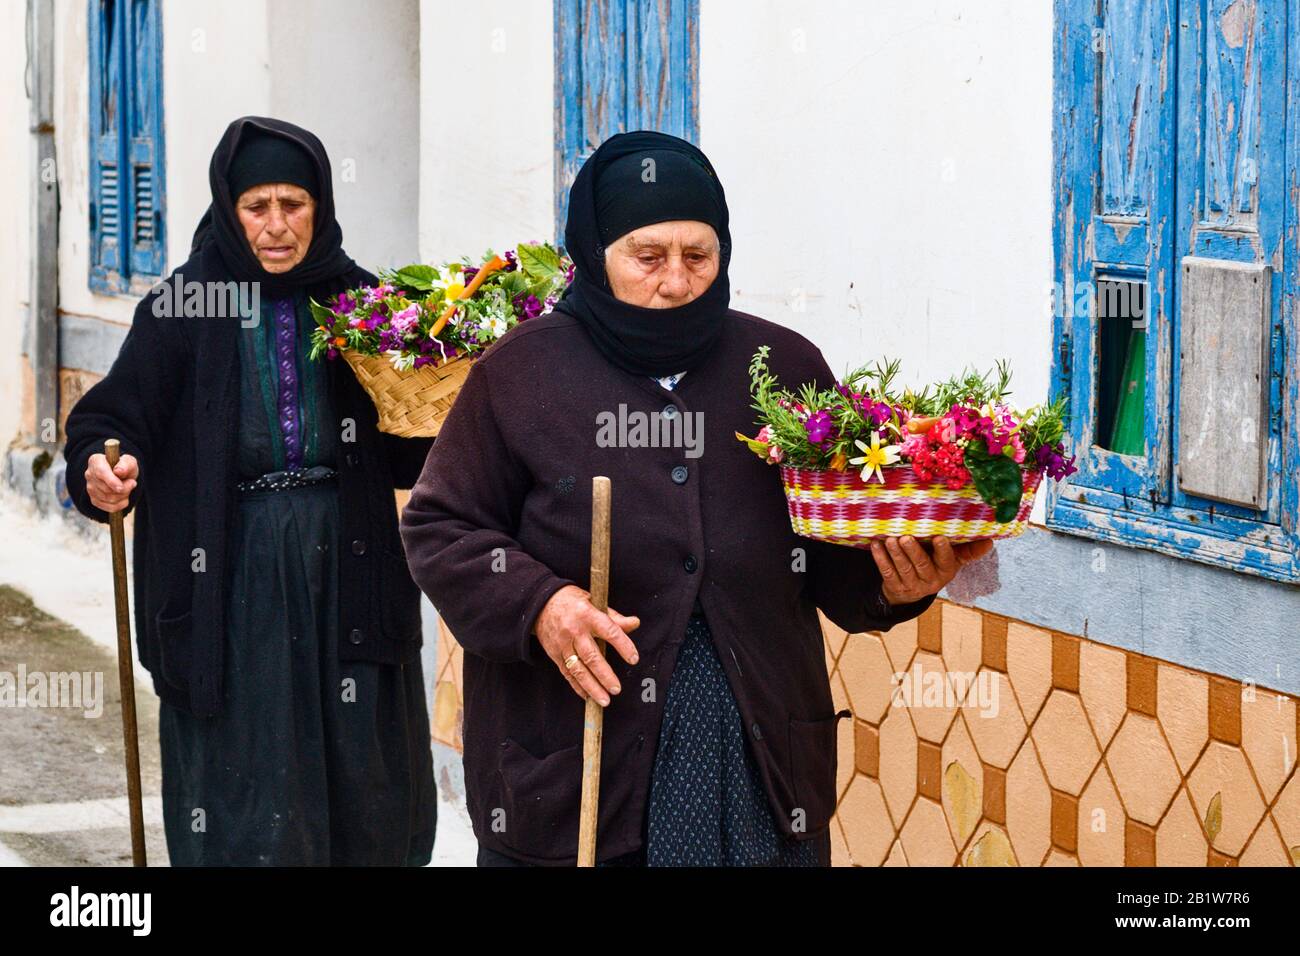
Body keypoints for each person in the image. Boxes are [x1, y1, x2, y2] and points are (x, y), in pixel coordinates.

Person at [399, 130, 992, 867]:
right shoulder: (520, 373)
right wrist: (541, 605)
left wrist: (896, 583)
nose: (676, 281)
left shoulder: (783, 366)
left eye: (698, 256)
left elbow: (832, 556)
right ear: (595, 254)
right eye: (648, 257)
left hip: (757, 754)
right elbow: (441, 526)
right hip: (580, 755)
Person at [64, 116, 436, 866]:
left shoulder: (361, 302)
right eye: (256, 206)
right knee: (250, 777)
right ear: (229, 210)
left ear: (320, 206)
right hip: (228, 574)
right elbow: (111, 419)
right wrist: (100, 470)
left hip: (349, 567)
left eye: (293, 205)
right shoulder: (184, 305)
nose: (276, 225)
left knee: (361, 775)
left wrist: (438, 401)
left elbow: (405, 454)